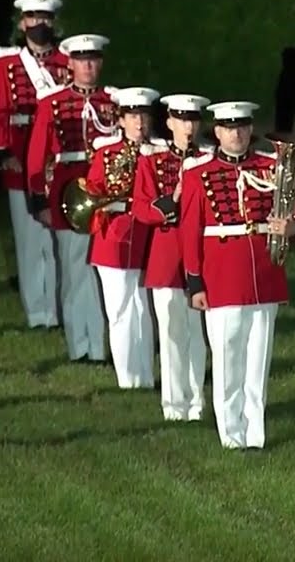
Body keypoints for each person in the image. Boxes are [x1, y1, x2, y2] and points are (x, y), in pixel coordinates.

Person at [180, 101, 295, 450]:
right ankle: (231, 434)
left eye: (242, 126)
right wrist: (194, 281)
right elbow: (190, 232)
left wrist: (292, 227)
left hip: (264, 274)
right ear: (217, 132)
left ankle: (255, 433)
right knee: (226, 358)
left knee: (258, 359)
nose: (236, 133)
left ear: (251, 129)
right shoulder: (197, 175)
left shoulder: (273, 168)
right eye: (228, 127)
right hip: (221, 277)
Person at [25, 33, 117, 363]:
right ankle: (81, 346)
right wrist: (39, 199)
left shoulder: (115, 100)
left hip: (106, 192)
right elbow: (37, 156)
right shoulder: (53, 103)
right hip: (69, 190)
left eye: (93, 59)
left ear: (100, 62)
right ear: (71, 63)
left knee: (104, 270)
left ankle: (103, 344)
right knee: (74, 269)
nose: (88, 65)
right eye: (81, 60)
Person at [0, 0, 70, 330]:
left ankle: (63, 307)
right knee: (30, 238)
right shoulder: (6, 64)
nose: (39, 25)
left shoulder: (67, 59)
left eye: (45, 19)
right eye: (32, 18)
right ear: (22, 23)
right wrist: (2, 151)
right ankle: (39, 312)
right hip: (22, 155)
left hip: (60, 154)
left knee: (63, 236)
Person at [132, 93, 212, 422]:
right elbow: (141, 207)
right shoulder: (152, 160)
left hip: (203, 255)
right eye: (181, 120)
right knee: (171, 331)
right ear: (169, 123)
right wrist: (171, 202)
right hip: (167, 254)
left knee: (199, 331)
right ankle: (174, 404)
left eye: (193, 120)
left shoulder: (209, 159)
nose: (188, 127)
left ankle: (197, 401)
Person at [86, 87, 163, 389]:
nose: (139, 123)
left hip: (149, 235)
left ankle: (145, 374)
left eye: (143, 116)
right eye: (132, 116)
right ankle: (127, 378)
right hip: (115, 235)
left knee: (144, 309)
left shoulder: (159, 152)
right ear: (120, 120)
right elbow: (93, 189)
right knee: (119, 309)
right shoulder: (106, 153)